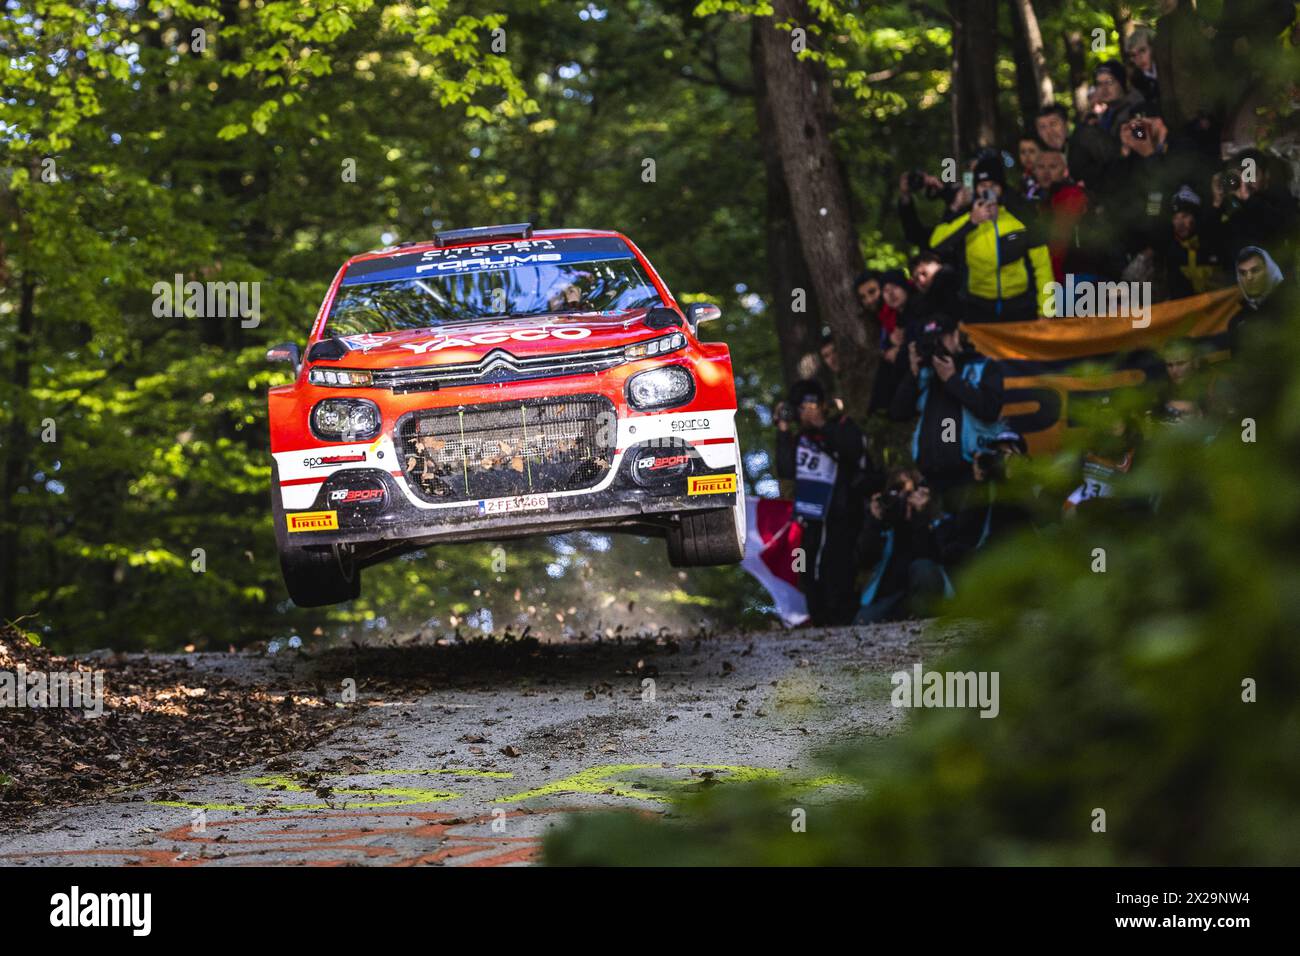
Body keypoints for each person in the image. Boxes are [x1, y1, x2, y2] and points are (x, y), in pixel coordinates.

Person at [774, 379, 877, 626]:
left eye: (812, 404)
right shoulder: (799, 438)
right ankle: (820, 624)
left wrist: (822, 424)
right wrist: (783, 428)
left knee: (839, 569)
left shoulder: (841, 426)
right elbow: (786, 468)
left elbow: (854, 451)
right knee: (807, 569)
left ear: (822, 405)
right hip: (810, 518)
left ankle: (844, 622)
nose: (808, 411)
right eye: (802, 407)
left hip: (843, 515)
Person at [888, 314, 1007, 497]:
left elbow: (990, 409)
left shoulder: (983, 366)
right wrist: (912, 374)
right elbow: (898, 413)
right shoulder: (927, 374)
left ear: (956, 336)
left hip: (971, 473)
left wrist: (952, 379)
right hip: (932, 477)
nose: (936, 346)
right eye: (930, 341)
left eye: (940, 339)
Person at [928, 155, 1055, 323]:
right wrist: (971, 221)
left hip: (1019, 306)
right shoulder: (966, 218)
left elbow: (1043, 268)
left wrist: (1046, 311)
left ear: (1002, 188)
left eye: (993, 185)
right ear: (976, 189)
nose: (988, 190)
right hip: (978, 308)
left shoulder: (1021, 217)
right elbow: (936, 243)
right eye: (982, 185)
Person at [854, 469, 949, 624]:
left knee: (924, 568)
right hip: (890, 599)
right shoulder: (884, 523)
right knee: (862, 621)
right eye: (897, 490)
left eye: (909, 492)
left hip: (921, 598)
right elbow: (864, 559)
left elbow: (934, 558)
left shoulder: (930, 518)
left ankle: (926, 620)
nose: (903, 496)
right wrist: (874, 522)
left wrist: (920, 517)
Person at [1035, 103, 1117, 194]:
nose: (1049, 132)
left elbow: (1115, 164)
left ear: (1067, 124)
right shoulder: (1050, 155)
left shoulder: (1086, 137)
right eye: (1042, 127)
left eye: (1053, 124)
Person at [1165, 186, 1226, 299]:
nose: (1180, 223)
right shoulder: (1173, 251)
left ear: (1195, 218)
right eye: (1175, 218)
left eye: (1185, 216)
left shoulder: (1213, 241)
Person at [1227, 245, 1287, 355]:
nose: (1249, 277)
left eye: (1255, 270)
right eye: (1243, 273)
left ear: (1269, 272)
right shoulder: (1237, 322)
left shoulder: (1291, 311)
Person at [1125, 26, 1160, 106]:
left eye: (1142, 51)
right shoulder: (1137, 80)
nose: (1139, 58)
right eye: (1133, 55)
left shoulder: (1170, 69)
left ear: (1154, 48)